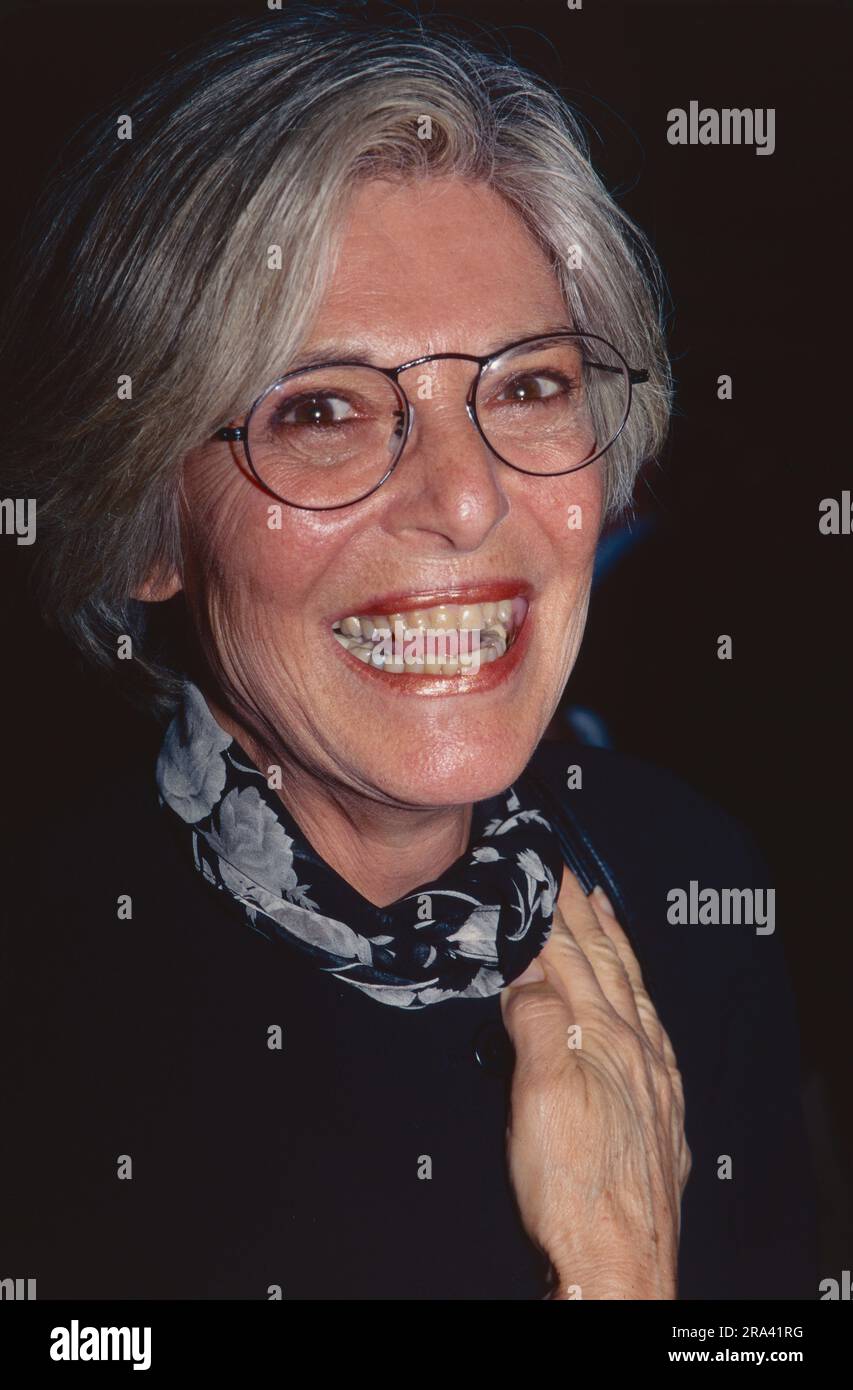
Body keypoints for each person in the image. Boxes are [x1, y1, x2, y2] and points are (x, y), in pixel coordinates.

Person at [0, 7, 816, 1299]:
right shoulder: (42, 1019)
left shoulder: (693, 892)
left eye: (527, 386)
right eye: (322, 409)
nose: (464, 497)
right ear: (144, 524)